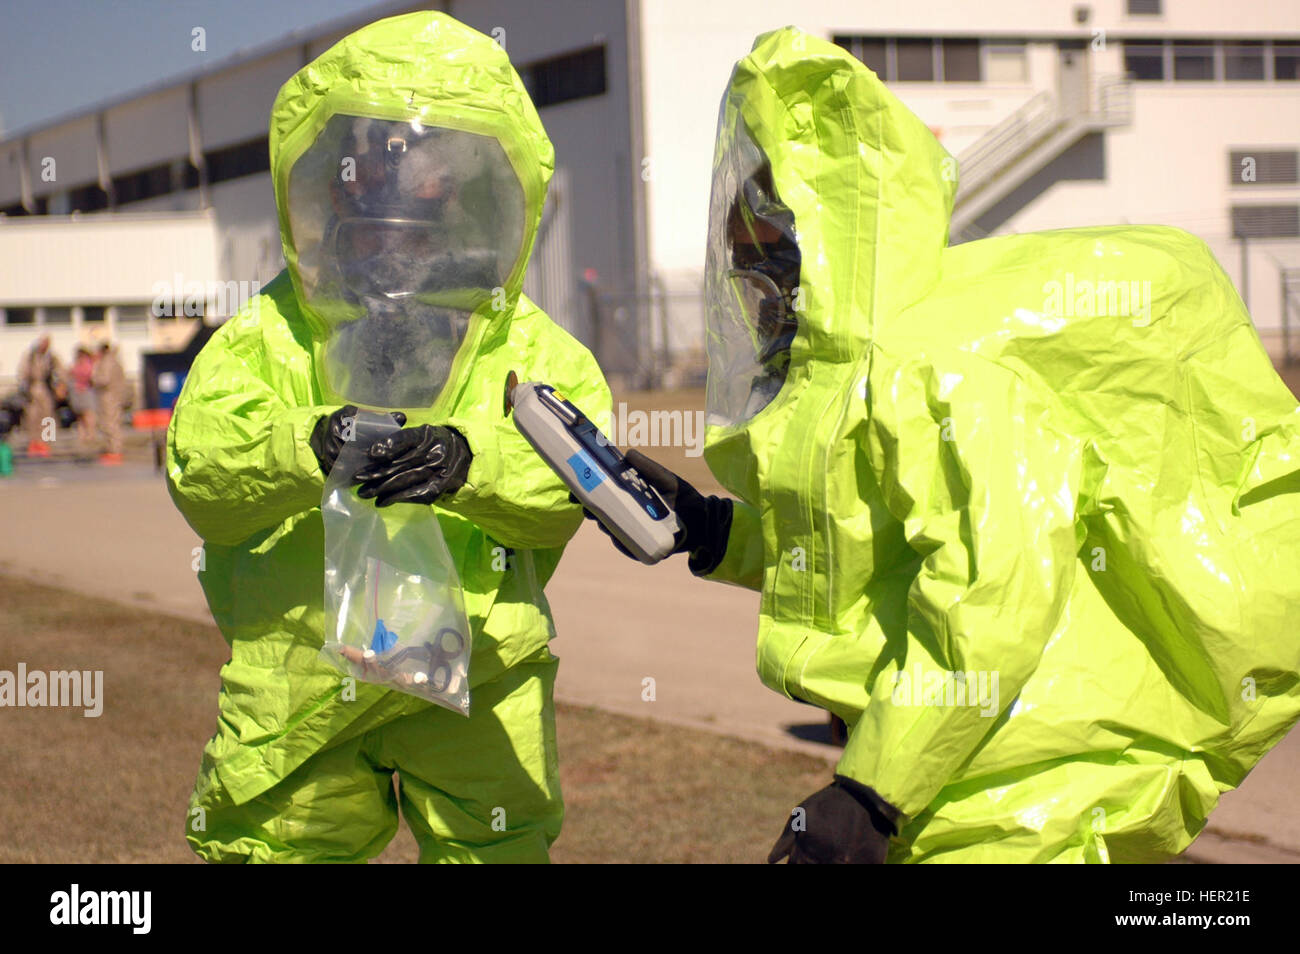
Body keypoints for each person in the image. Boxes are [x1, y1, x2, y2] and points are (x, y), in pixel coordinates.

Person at [592, 28, 1300, 863]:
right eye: (747, 270)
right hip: (942, 784)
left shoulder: (931, 368)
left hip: (1015, 802)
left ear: (828, 248)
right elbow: (867, 566)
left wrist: (869, 796)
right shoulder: (853, 378)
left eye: (774, 264)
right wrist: (713, 532)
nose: (760, 294)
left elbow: (992, 601)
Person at [166, 11, 609, 863]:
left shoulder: (526, 345)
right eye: (373, 221)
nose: (393, 247)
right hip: (302, 686)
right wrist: (309, 445)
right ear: (331, 198)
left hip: (478, 676)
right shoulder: (270, 333)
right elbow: (202, 472)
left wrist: (466, 464)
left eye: (420, 213)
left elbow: (573, 483)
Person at [16, 334, 58, 457]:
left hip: (46, 388)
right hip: (33, 388)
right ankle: (34, 442)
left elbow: (60, 371)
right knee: (32, 417)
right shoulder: (30, 356)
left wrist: (60, 385)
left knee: (47, 417)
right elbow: (22, 372)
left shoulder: (51, 357)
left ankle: (46, 442)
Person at [91, 339, 127, 465]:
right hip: (114, 396)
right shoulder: (115, 360)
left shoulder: (106, 362)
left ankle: (114, 451)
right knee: (112, 423)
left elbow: (104, 379)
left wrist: (93, 378)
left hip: (109, 397)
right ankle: (112, 449)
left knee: (110, 424)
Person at [69, 345, 97, 451]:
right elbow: (71, 374)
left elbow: (90, 375)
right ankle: (82, 436)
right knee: (80, 415)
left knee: (88, 414)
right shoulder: (76, 364)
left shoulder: (88, 363)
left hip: (86, 391)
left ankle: (90, 434)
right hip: (77, 391)